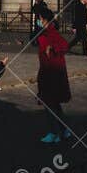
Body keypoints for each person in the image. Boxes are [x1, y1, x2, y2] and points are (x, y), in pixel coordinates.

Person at [35, 15, 73, 144]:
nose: (39, 21)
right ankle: (64, 130)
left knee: (49, 105)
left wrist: (52, 48)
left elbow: (64, 45)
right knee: (54, 105)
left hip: (51, 73)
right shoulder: (44, 32)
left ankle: (53, 133)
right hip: (49, 72)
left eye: (41, 19)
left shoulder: (51, 33)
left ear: (47, 21)